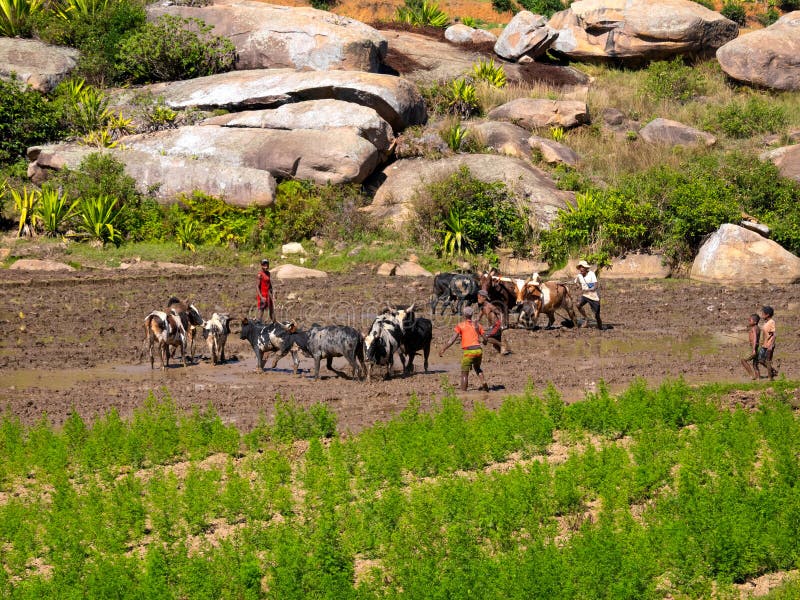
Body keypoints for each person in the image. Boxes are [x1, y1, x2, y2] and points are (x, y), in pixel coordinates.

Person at [439, 305, 489, 392]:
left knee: (464, 374)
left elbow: (452, 340)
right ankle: (483, 381)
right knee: (477, 368)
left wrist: (443, 349)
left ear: (464, 315)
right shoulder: (478, 325)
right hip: (478, 350)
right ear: (472, 315)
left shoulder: (460, 325)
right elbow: (486, 339)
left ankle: (463, 392)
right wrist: (484, 342)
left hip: (469, 352)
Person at [475, 290, 510, 355]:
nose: (478, 300)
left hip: (497, 326)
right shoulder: (482, 308)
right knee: (497, 349)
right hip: (492, 327)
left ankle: (502, 345)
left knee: (485, 336)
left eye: (479, 298)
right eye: (477, 298)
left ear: (484, 298)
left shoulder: (490, 306)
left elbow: (500, 313)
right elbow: (478, 318)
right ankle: (503, 348)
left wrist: (502, 325)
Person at [575, 260, 601, 330]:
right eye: (580, 267)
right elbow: (576, 282)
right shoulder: (579, 275)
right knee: (578, 305)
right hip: (585, 295)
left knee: (597, 315)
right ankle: (586, 319)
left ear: (586, 268)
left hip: (594, 296)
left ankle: (600, 328)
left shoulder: (591, 274)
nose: (581, 269)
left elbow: (596, 285)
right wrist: (577, 285)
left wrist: (590, 289)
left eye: (583, 267)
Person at [741, 313, 761, 380]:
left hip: (753, 348)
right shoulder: (758, 328)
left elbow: (755, 338)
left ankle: (752, 375)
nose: (749, 321)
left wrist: (753, 349)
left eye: (750, 320)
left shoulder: (753, 328)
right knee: (755, 365)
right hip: (757, 347)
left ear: (755, 322)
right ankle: (758, 378)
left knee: (743, 360)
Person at [760, 305, 778, 380]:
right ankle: (773, 371)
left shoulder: (771, 322)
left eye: (763, 314)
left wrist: (771, 345)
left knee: (768, 361)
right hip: (764, 345)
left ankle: (770, 377)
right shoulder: (766, 323)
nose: (761, 315)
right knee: (761, 360)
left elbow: (774, 334)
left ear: (767, 315)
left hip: (769, 345)